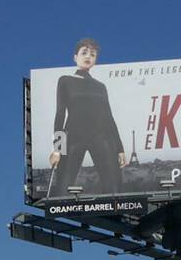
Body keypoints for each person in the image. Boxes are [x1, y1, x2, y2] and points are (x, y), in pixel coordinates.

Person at [48, 37, 126, 199]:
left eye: (93, 54)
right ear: (75, 57)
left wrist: (120, 148)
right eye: (84, 52)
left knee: (112, 186)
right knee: (63, 184)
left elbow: (109, 117)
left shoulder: (100, 86)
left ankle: (113, 213)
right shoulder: (65, 81)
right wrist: (57, 149)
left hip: (101, 137)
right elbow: (60, 114)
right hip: (73, 137)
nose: (88, 57)